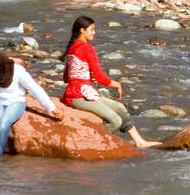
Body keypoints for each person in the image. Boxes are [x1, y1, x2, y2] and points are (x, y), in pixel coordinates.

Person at [62, 16, 160, 148]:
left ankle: (139, 141)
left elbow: (66, 78)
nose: (94, 32)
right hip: (78, 96)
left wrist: (83, 75)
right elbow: (101, 78)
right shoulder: (87, 48)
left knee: (120, 107)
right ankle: (91, 144)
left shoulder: (72, 48)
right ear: (82, 30)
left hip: (77, 92)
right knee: (115, 120)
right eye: (92, 29)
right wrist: (117, 85)